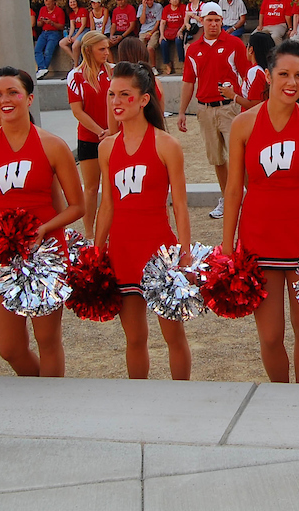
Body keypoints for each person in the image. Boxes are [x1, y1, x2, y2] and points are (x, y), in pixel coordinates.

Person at [222, 39, 299, 382]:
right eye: (284, 74)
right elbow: (232, 190)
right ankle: (280, 395)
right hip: (259, 238)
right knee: (270, 335)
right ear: (268, 76)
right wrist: (227, 244)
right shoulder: (243, 123)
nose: (292, 82)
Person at [0, 67, 83, 377]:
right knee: (9, 348)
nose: (5, 99)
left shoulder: (52, 145)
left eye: (13, 92)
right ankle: (37, 391)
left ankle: (50, 406)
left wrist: (43, 230)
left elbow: (77, 206)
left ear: (29, 99)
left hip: (44, 254)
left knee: (47, 340)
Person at [94, 61, 193, 379]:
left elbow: (179, 204)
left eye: (125, 94)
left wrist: (185, 251)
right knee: (134, 338)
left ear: (144, 99)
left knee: (173, 337)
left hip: (158, 252)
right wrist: (97, 251)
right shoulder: (107, 148)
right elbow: (107, 205)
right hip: (121, 251)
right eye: (112, 95)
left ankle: (182, 399)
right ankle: (139, 404)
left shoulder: (166, 144)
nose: (117, 102)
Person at [177, 3, 248, 220]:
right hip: (205, 109)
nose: (214, 24)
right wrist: (181, 112)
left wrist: (247, 104)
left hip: (229, 109)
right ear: (202, 21)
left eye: (217, 19)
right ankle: (227, 198)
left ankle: (251, 197)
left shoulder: (234, 43)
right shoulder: (193, 49)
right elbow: (189, 81)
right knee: (217, 158)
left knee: (239, 157)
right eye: (209, 20)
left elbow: (246, 75)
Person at [68, 32, 112, 239]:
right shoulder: (75, 75)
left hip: (114, 137)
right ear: (88, 50)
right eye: (101, 49)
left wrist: (111, 131)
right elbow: (77, 111)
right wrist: (100, 131)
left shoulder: (113, 72)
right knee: (92, 188)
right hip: (89, 138)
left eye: (107, 48)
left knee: (113, 187)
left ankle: (112, 230)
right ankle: (88, 233)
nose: (106, 52)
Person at [223, 31, 273, 111]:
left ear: (251, 50)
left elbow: (254, 104)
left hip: (254, 118)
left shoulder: (255, 71)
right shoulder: (271, 69)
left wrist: (232, 95)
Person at [34, 0, 67, 79]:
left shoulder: (59, 11)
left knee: (48, 51)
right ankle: (42, 68)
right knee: (37, 50)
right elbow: (38, 24)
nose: (47, 6)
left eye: (49, 4)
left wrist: (51, 23)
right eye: (46, 4)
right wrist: (41, 22)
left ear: (53, 2)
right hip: (44, 32)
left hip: (54, 32)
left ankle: (42, 69)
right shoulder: (43, 9)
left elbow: (61, 26)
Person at [159, 0, 187, 74]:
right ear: (169, 0)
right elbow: (163, 22)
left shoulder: (183, 7)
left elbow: (185, 21)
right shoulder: (166, 8)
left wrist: (181, 30)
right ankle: (168, 63)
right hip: (169, 31)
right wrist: (161, 34)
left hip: (179, 29)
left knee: (179, 41)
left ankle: (183, 63)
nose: (175, 0)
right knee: (163, 43)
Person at [58, 0, 90, 69]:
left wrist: (75, 37)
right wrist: (70, 36)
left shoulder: (82, 10)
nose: (72, 3)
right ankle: (76, 60)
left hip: (84, 30)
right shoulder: (71, 13)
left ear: (77, 2)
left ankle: (76, 66)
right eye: (71, 2)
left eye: (74, 2)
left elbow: (83, 25)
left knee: (75, 46)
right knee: (62, 43)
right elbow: (72, 26)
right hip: (75, 30)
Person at [138, 0, 164, 73]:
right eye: (147, 0)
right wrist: (144, 8)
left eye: (151, 0)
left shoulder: (158, 6)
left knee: (150, 47)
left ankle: (153, 67)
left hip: (154, 30)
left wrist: (150, 33)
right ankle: (142, 66)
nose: (149, 2)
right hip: (143, 30)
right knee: (140, 47)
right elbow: (142, 21)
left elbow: (158, 22)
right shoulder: (141, 7)